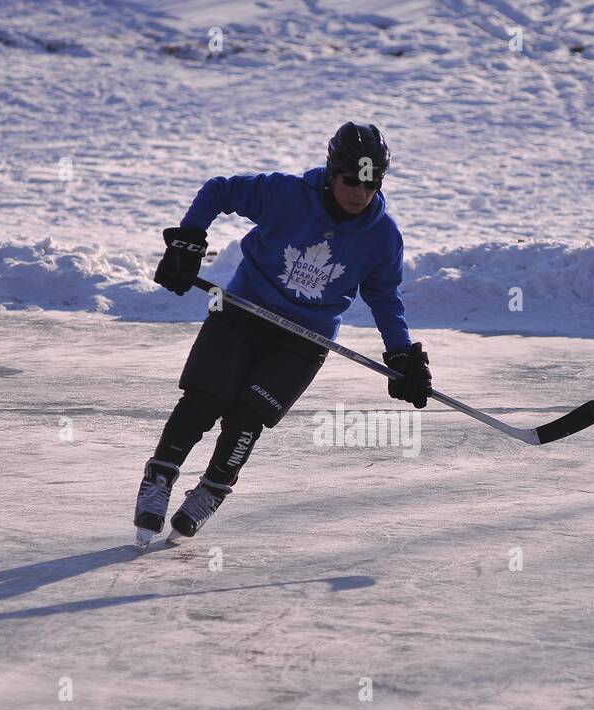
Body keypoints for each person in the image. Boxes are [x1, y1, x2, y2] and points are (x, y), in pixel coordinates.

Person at [135, 122, 432, 541]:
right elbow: (219, 190)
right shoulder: (286, 195)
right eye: (352, 181)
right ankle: (159, 479)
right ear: (333, 172)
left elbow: (384, 298)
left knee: (246, 419)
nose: (361, 193)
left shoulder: (383, 236)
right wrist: (187, 242)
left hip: (303, 340)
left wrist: (402, 354)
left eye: (372, 183)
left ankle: (213, 488)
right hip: (241, 313)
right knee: (204, 400)